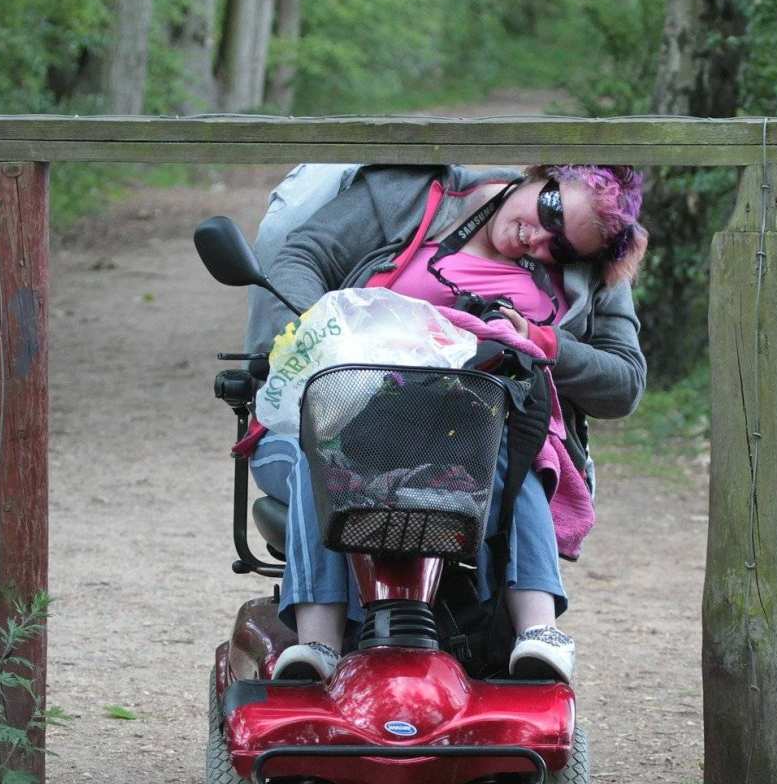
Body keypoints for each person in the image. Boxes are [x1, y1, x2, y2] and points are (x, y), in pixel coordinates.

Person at [245, 163, 649, 684]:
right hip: (343, 408)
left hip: (475, 432)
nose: (541, 240)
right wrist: (323, 339)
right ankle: (317, 644)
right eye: (550, 212)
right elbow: (301, 256)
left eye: (562, 249)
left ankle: (539, 634)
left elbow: (625, 381)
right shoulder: (407, 196)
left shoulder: (590, 274)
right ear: (540, 175)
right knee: (318, 451)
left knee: (520, 450)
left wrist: (544, 342)